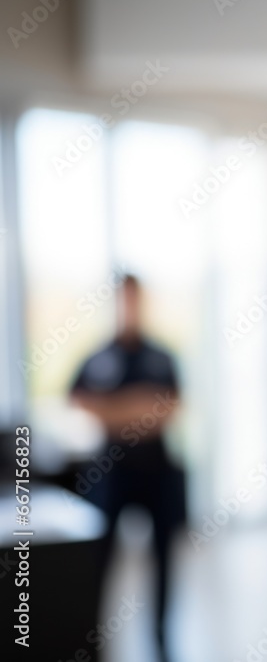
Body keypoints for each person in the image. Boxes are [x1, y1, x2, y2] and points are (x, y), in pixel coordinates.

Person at [70, 274, 186, 662]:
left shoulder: (162, 356)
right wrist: (138, 406)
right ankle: (92, 639)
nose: (129, 307)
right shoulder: (98, 356)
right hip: (111, 473)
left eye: (135, 300)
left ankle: (161, 638)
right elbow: (81, 404)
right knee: (99, 558)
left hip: (157, 471)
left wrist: (114, 408)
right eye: (123, 300)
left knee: (164, 558)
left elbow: (169, 408)